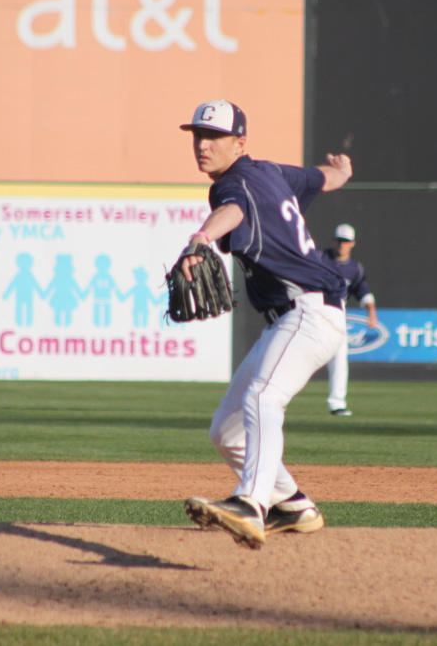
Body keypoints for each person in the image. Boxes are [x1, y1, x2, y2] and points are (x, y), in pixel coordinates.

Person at [176, 99, 354, 549]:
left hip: (309, 311)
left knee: (263, 397)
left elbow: (234, 210)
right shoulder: (272, 172)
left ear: (239, 143)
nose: (202, 145)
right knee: (226, 431)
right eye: (198, 135)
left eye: (214, 137)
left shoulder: (232, 184)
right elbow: (320, 178)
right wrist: (340, 173)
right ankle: (292, 504)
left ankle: (251, 504)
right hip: (292, 318)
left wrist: (202, 237)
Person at [321, 223, 377, 416]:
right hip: (314, 309)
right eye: (339, 240)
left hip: (337, 313)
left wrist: (371, 311)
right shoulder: (319, 258)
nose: (342, 244)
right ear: (333, 240)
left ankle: (337, 403)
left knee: (339, 358)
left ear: (352, 243)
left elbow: (363, 292)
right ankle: (280, 398)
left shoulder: (355, 269)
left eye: (346, 241)